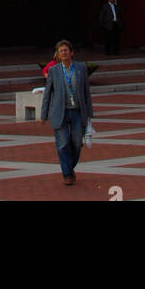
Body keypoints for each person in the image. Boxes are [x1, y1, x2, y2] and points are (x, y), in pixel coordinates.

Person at [40, 39, 94, 186]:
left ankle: (69, 167)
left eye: (66, 50)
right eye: (61, 51)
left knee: (76, 143)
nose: (63, 53)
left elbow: (86, 92)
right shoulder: (53, 70)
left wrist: (90, 113)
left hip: (77, 111)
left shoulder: (81, 68)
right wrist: (43, 114)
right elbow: (48, 93)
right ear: (58, 54)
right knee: (63, 143)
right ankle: (67, 174)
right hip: (60, 112)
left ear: (71, 52)